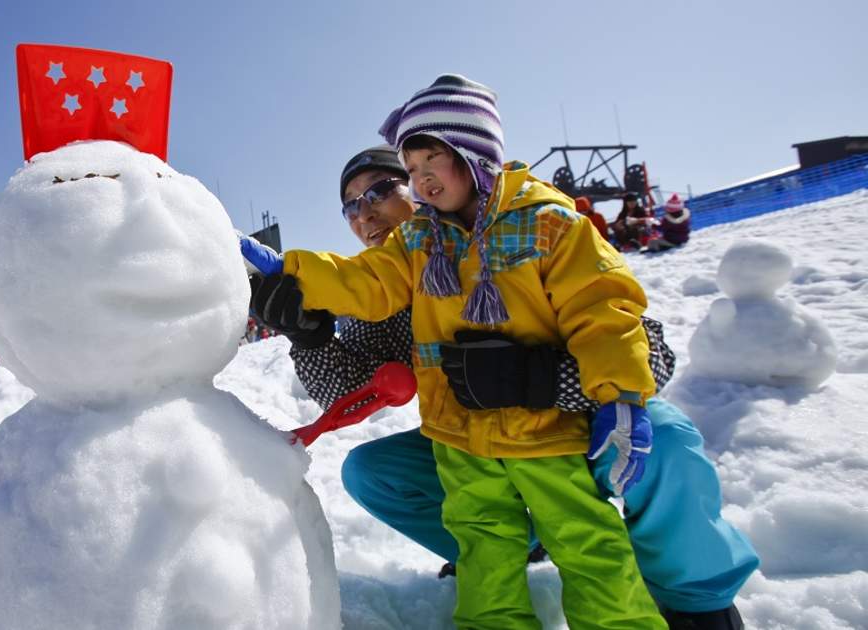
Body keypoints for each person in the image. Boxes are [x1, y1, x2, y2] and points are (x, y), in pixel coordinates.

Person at [246, 75, 756, 629]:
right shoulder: (398, 273)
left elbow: (643, 344)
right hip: (473, 440)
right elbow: (347, 389)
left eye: (379, 191)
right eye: (349, 206)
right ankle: (519, 548)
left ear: (467, 160)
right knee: (383, 476)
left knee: (666, 445)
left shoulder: (536, 225)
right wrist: (306, 325)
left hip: (573, 424)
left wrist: (537, 379)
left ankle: (697, 601)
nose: (363, 213)